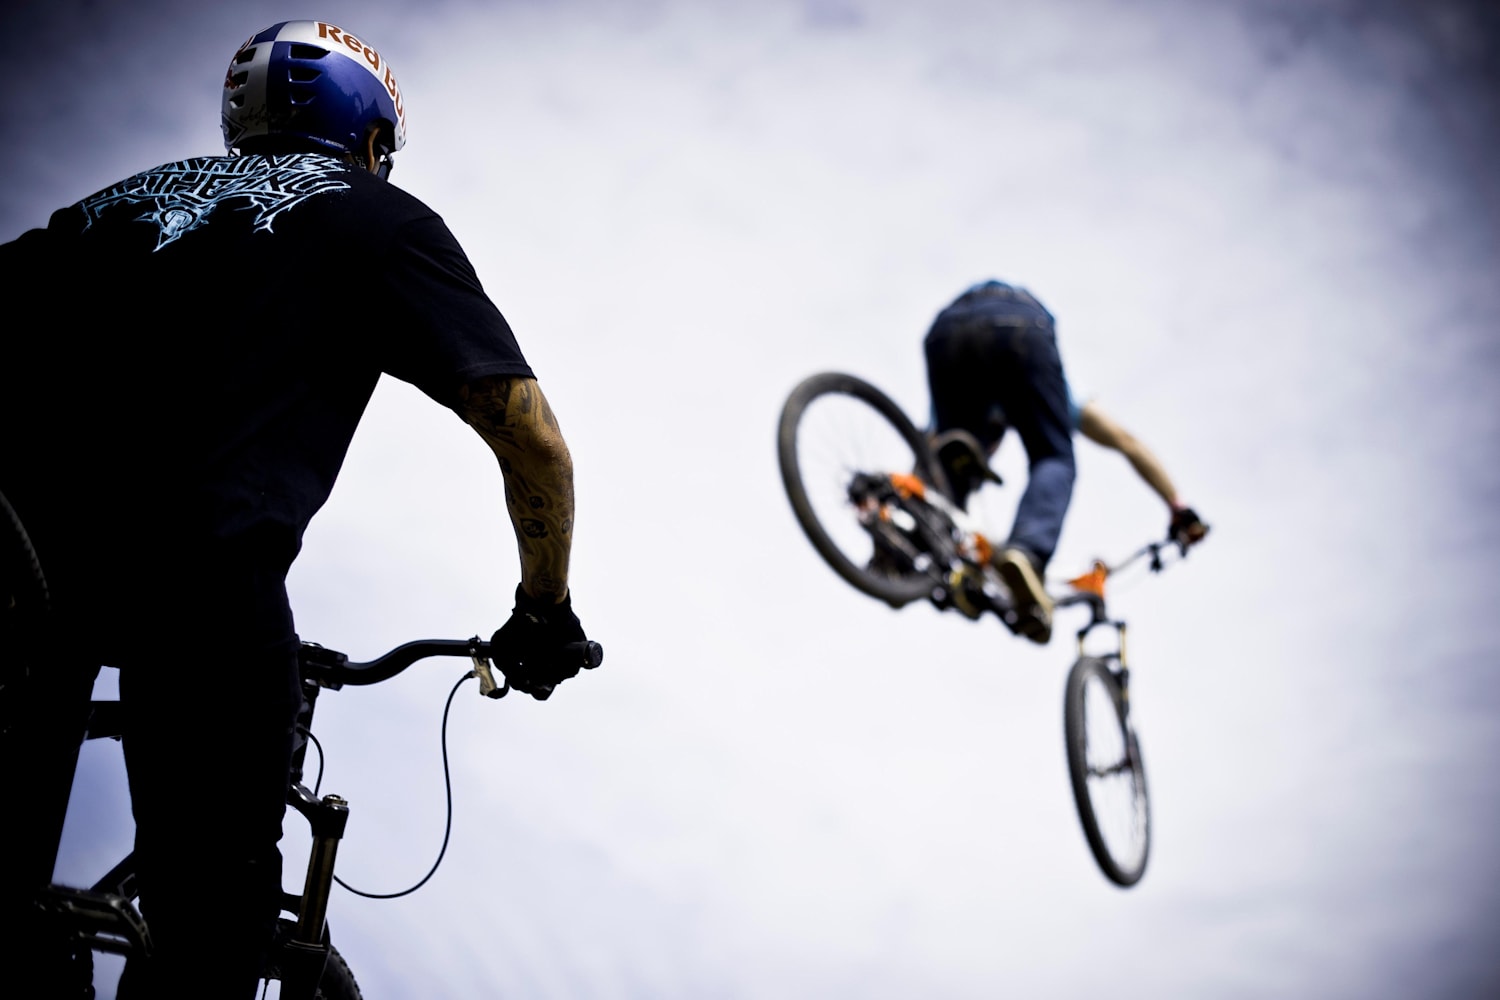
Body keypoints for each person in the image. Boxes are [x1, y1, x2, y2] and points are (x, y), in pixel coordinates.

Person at [0, 21, 598, 998]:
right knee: (213, 924)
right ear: (372, 137)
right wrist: (544, 614)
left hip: (18, 572)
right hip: (202, 582)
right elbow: (534, 443)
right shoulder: (383, 220)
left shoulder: (107, 206)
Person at [923, 279, 1206, 642]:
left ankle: (908, 539)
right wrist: (1177, 506)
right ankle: (1027, 550)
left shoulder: (975, 409)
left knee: (950, 462)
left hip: (946, 333)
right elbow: (1126, 442)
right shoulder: (1055, 396)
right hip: (1018, 325)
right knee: (1053, 456)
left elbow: (925, 452)